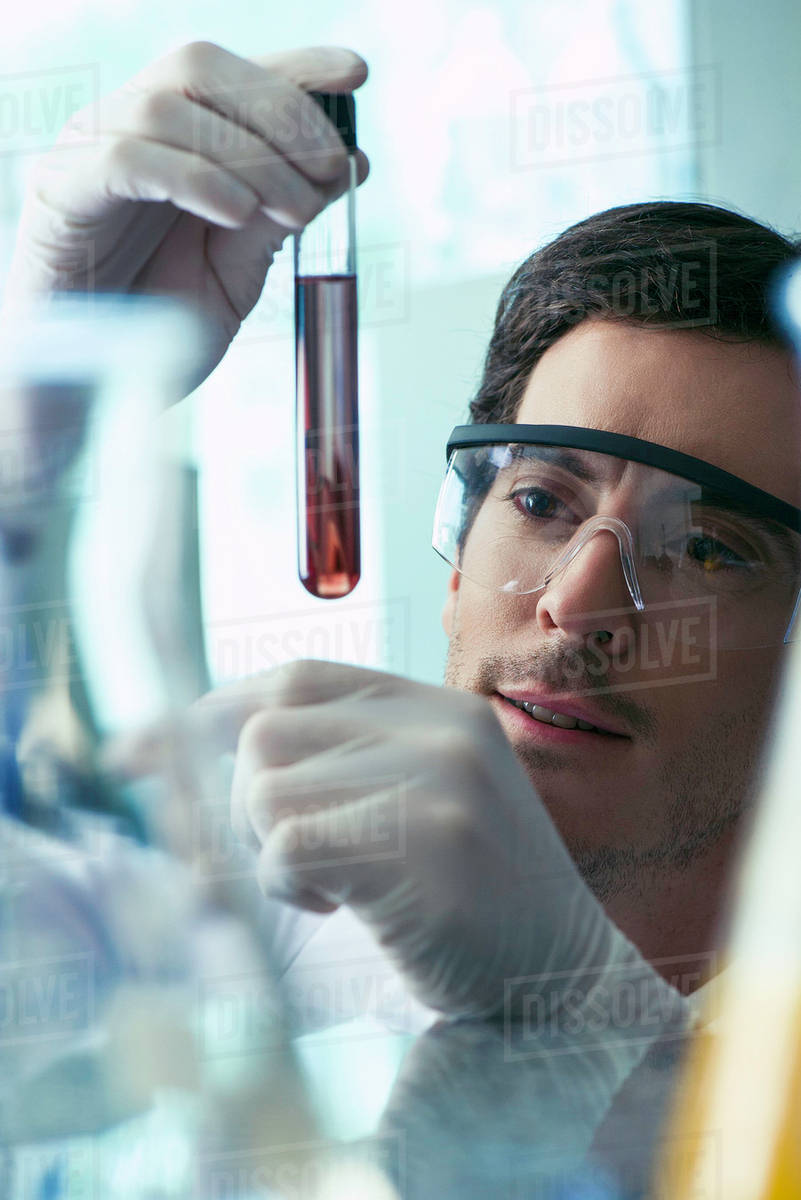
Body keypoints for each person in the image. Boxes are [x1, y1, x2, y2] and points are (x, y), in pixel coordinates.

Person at [5, 42, 800, 1028]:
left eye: (711, 548)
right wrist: (33, 424)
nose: (574, 603)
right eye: (542, 502)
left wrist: (583, 1003)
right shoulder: (264, 898)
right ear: (460, 556)